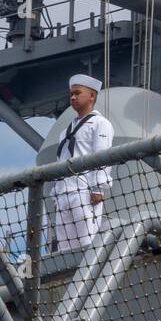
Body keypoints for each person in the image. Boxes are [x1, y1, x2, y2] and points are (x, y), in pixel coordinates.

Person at [52, 75, 114, 253]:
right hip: (64, 192)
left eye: (77, 93)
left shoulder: (100, 124)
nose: (73, 97)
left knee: (88, 242)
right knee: (64, 246)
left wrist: (98, 188)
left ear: (92, 96)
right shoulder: (65, 132)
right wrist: (57, 194)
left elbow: (102, 155)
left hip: (85, 191)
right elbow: (60, 161)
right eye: (71, 94)